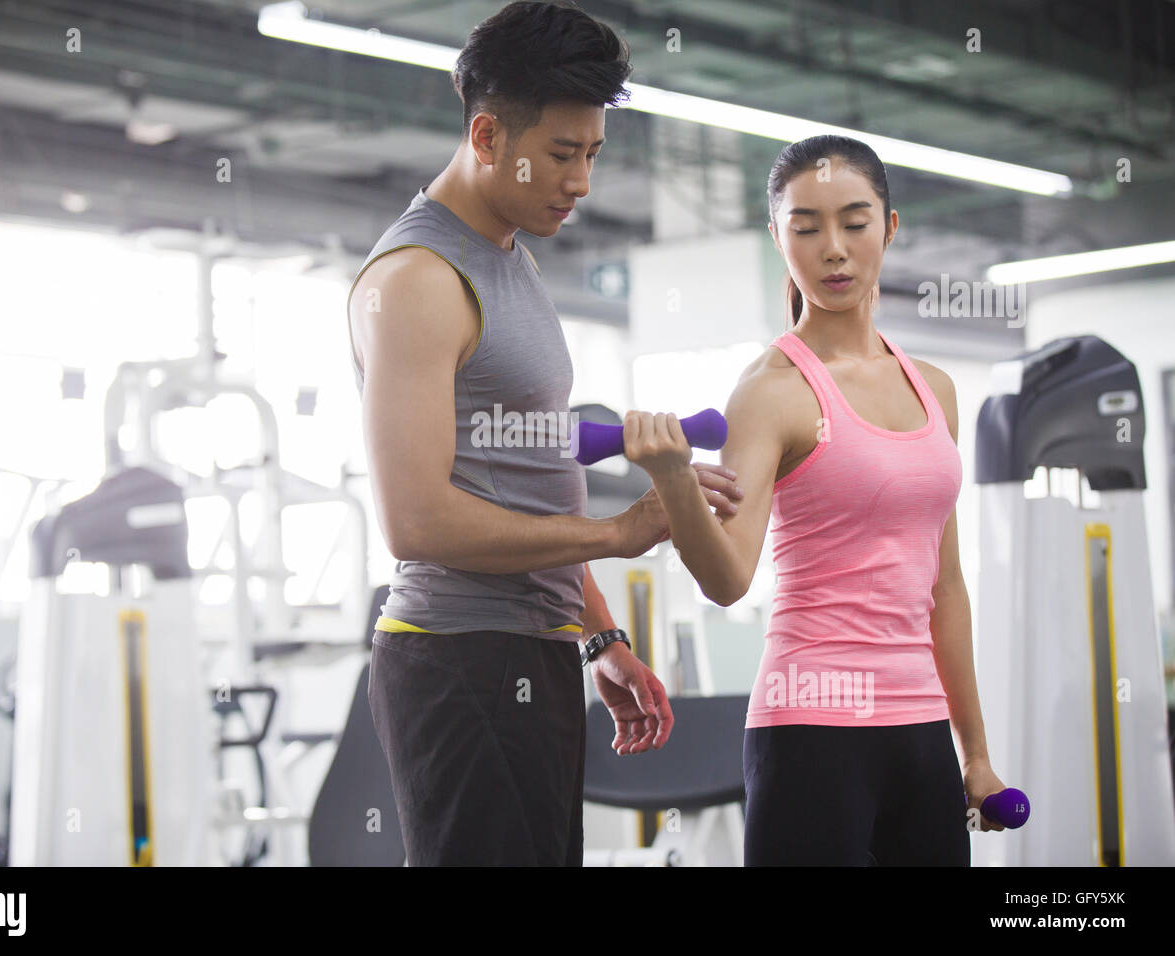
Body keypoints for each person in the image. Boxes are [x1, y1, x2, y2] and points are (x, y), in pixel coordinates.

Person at [345, 0, 743, 866]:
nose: (583, 181)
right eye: (562, 154)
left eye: (593, 153)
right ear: (488, 138)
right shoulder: (417, 279)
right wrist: (618, 532)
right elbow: (416, 522)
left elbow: (520, 476)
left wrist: (596, 632)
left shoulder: (511, 257)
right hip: (457, 660)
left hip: (533, 649)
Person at [621, 133, 1010, 865]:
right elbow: (730, 579)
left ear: (889, 228)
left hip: (920, 731)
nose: (833, 248)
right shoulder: (771, 391)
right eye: (806, 227)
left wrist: (975, 754)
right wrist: (676, 480)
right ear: (778, 238)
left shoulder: (937, 391)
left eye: (855, 222)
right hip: (810, 730)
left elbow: (945, 587)